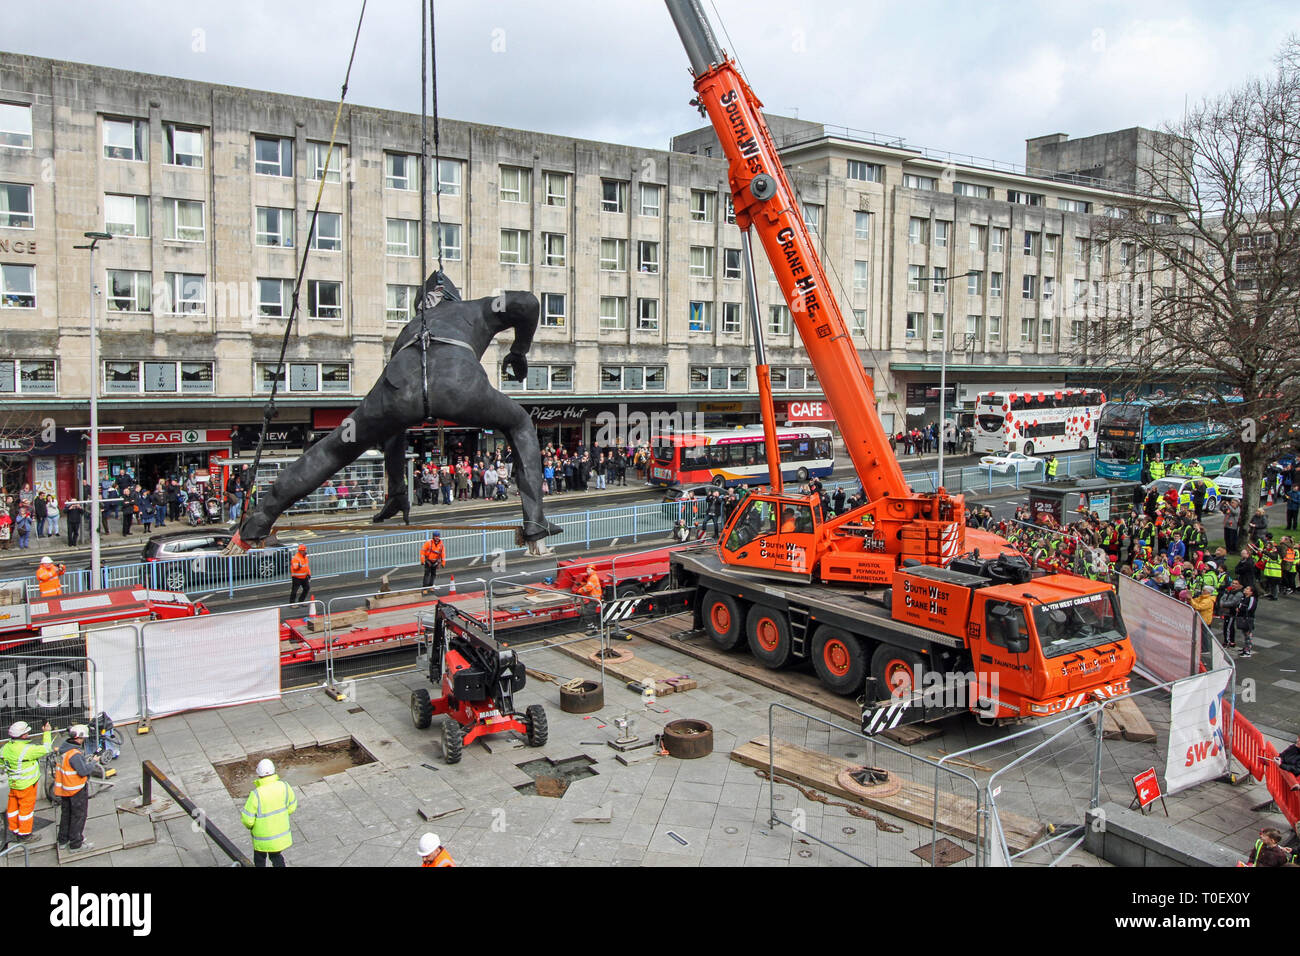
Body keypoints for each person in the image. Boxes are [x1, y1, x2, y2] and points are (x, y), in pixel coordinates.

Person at [240, 758, 297, 867]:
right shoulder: (284, 786)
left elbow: (248, 819)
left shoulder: (256, 794)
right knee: (276, 857)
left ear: (259, 774)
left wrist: (251, 826)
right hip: (279, 834)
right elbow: (292, 806)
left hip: (261, 837)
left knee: (259, 858)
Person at [3, 720, 53, 842]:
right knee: (26, 811)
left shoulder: (6, 748)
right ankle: (25, 835)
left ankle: (14, 830)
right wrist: (47, 732)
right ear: (23, 735)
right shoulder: (27, 750)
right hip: (27, 786)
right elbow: (47, 748)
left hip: (13, 784)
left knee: (13, 809)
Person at [53, 724, 97, 852]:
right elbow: (83, 771)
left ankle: (62, 840)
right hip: (76, 790)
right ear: (79, 738)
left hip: (64, 789)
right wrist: (93, 762)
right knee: (78, 816)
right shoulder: (75, 754)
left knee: (66, 815)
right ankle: (76, 844)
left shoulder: (63, 750)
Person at [1236, 586, 1258, 657]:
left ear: (1251, 592)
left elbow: (1250, 608)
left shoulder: (1251, 598)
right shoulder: (1244, 598)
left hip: (1248, 618)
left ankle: (1247, 651)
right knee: (1245, 634)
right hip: (1243, 617)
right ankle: (1246, 648)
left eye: (1247, 589)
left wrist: (1241, 609)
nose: (1245, 589)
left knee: (1248, 634)